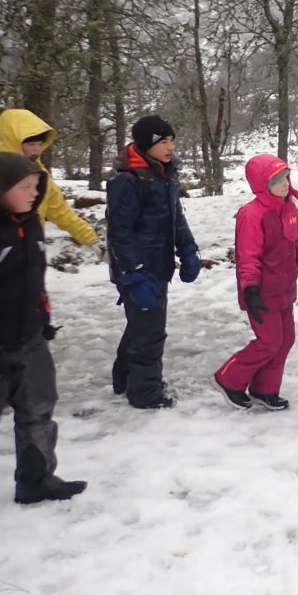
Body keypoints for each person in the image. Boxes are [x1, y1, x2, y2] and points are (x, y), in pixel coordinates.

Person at [0, 152, 87, 504]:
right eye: (25, 187)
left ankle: (36, 480)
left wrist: (42, 320)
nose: (34, 194)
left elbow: (34, 281)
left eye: (36, 186)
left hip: (29, 337)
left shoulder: (29, 224)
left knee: (39, 406)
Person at [106, 115, 204, 409]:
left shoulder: (164, 175)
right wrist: (133, 274)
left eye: (172, 140)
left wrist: (188, 250)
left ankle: (124, 378)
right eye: (163, 142)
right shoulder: (128, 181)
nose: (170, 146)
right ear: (146, 145)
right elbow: (119, 233)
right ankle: (145, 393)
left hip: (159, 266)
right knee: (150, 332)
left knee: (141, 325)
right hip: (138, 270)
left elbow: (176, 218)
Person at [212, 155, 298, 411]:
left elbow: (296, 241)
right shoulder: (252, 214)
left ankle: (265, 390)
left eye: (286, 177)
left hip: (284, 288)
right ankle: (228, 378)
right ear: (262, 184)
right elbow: (248, 256)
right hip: (261, 292)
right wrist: (250, 289)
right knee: (269, 342)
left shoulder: (288, 207)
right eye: (276, 180)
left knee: (285, 340)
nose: (285, 183)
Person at [0, 108, 99, 246]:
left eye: (40, 144)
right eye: (31, 144)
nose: (36, 149)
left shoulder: (40, 174)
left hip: (32, 248)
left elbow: (60, 211)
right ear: (13, 141)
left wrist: (91, 239)